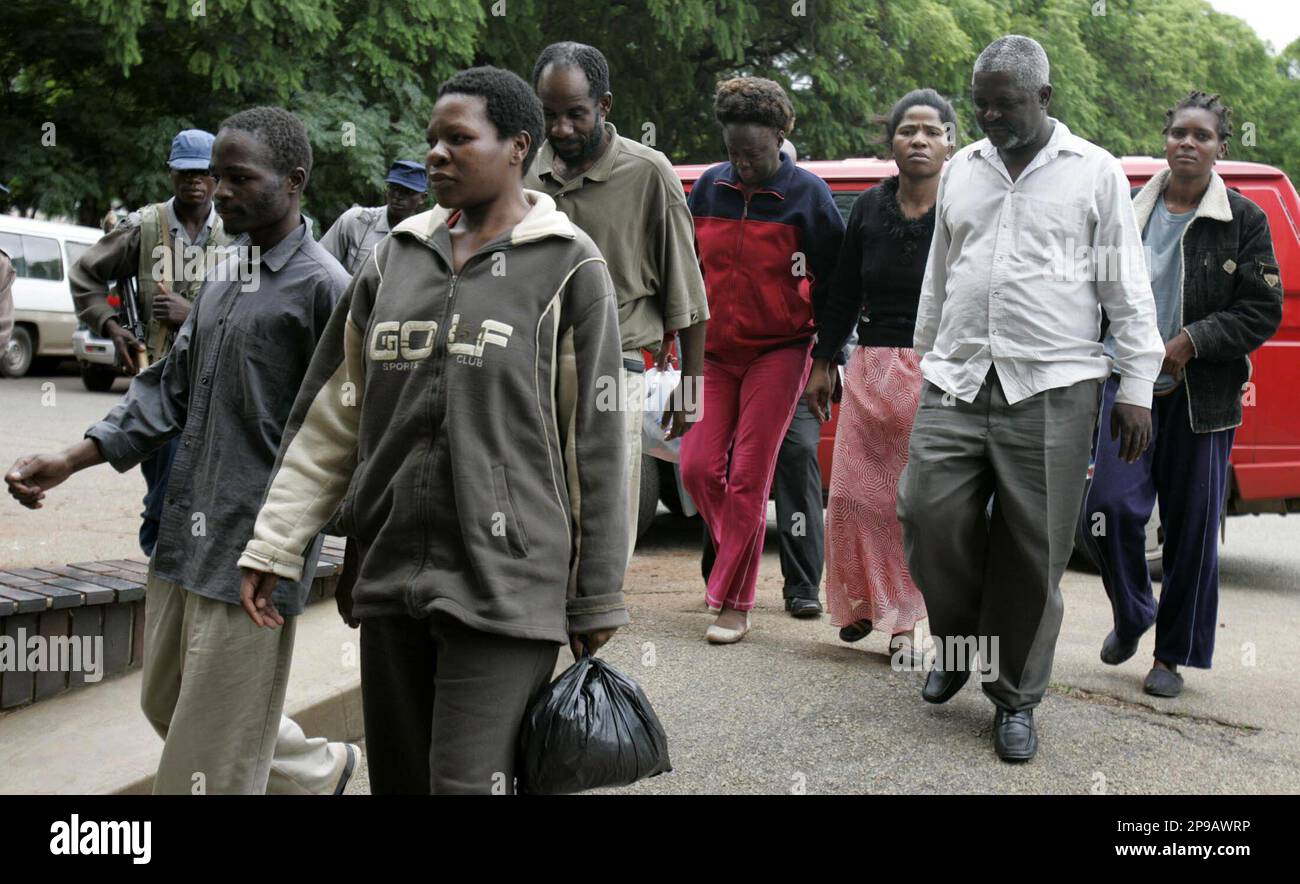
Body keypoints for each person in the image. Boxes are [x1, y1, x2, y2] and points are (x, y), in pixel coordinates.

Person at [236, 67, 629, 795]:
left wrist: (597, 592)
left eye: (458, 139)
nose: (436, 156)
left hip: (506, 583)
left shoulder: (570, 266)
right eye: (432, 142)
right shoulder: (391, 259)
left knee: (465, 783)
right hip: (388, 574)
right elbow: (331, 419)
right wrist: (278, 540)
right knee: (402, 782)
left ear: (518, 146)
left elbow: (598, 442)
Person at [6, 107, 357, 795]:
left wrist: (310, 547)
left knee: (206, 763)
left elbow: (345, 436)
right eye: (215, 177)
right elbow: (168, 390)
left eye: (237, 178)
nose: (220, 192)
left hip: (255, 555)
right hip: (183, 533)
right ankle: (319, 774)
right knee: (164, 702)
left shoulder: (326, 291)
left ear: (294, 181)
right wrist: (70, 459)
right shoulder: (228, 272)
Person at [896, 35, 1164, 762]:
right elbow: (941, 271)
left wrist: (1136, 386)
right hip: (958, 376)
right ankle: (959, 643)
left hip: (1053, 384)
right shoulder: (962, 170)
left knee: (1032, 546)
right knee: (924, 513)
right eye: (980, 102)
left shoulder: (1095, 173)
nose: (989, 116)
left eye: (1005, 104)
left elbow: (1125, 289)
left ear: (1044, 99)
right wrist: (923, 355)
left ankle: (1015, 697)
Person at [1082, 91, 1283, 698]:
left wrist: (1192, 341)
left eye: (1203, 135)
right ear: (1165, 139)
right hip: (1127, 390)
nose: (1188, 143)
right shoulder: (1130, 208)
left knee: (1192, 529)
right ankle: (1133, 611)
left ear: (1222, 146)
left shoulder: (1243, 220)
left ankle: (1171, 656)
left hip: (1203, 399)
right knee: (1107, 510)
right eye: (1179, 133)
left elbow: (1262, 308)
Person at [524, 41, 709, 557]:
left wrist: (691, 390)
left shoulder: (649, 173)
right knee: (534, 519)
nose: (561, 130)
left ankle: (590, 628)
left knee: (604, 525)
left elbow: (689, 295)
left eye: (576, 115)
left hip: (615, 370)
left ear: (604, 106)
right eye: (549, 115)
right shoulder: (522, 173)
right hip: (528, 370)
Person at [682, 76, 844, 644]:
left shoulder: (808, 195)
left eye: (754, 153)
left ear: (781, 136)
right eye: (733, 153)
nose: (744, 165)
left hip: (781, 349)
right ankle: (736, 555)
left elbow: (835, 285)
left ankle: (733, 603)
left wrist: (826, 358)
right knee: (697, 467)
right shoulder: (705, 190)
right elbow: (686, 277)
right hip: (717, 354)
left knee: (751, 475)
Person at [807, 89, 957, 660]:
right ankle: (861, 606)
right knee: (850, 497)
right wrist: (824, 361)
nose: (918, 140)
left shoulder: (964, 206)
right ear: (890, 141)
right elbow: (844, 290)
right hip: (869, 369)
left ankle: (903, 623)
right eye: (906, 131)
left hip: (936, 374)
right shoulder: (868, 207)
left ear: (950, 142)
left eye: (931, 130)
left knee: (911, 505)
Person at [69, 129, 233, 557]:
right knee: (167, 487)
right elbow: (86, 274)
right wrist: (111, 326)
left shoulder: (236, 233)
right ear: (171, 175)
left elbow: (254, 304)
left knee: (207, 489)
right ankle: (161, 563)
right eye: (184, 172)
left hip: (219, 384)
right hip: (160, 382)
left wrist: (190, 314)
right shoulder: (143, 227)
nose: (194, 182)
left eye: (202, 173)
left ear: (215, 176)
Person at [319, 159, 429, 274]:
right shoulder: (357, 220)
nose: (397, 196)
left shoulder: (424, 237)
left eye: (407, 191)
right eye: (393, 188)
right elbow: (320, 263)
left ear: (422, 197)